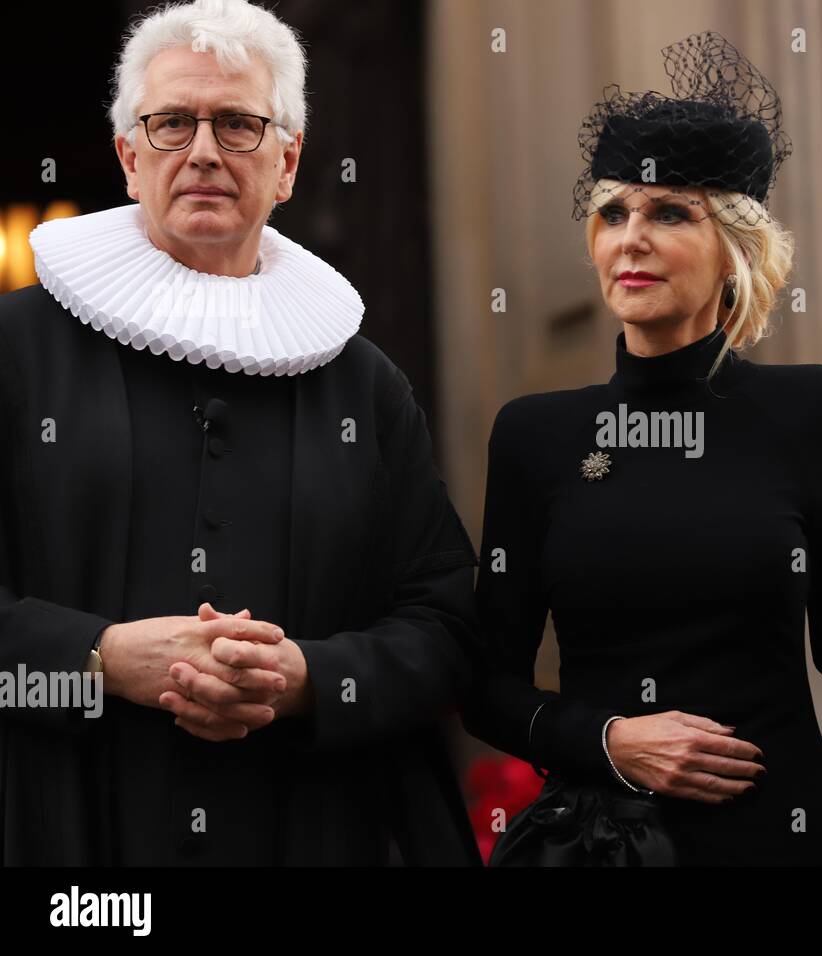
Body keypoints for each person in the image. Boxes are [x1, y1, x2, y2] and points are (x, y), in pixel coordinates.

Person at [0, 0, 478, 865]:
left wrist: (307, 679)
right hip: (69, 832)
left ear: (289, 162)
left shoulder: (364, 383)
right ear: (128, 155)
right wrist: (98, 659)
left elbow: (447, 623)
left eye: (239, 124)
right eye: (173, 122)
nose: (206, 151)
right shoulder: (14, 353)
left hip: (314, 830)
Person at [461, 31, 822, 866]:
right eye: (613, 213)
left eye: (669, 213)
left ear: (735, 249)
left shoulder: (806, 408)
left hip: (777, 835)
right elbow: (483, 687)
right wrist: (612, 740)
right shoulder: (536, 434)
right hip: (604, 845)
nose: (630, 239)